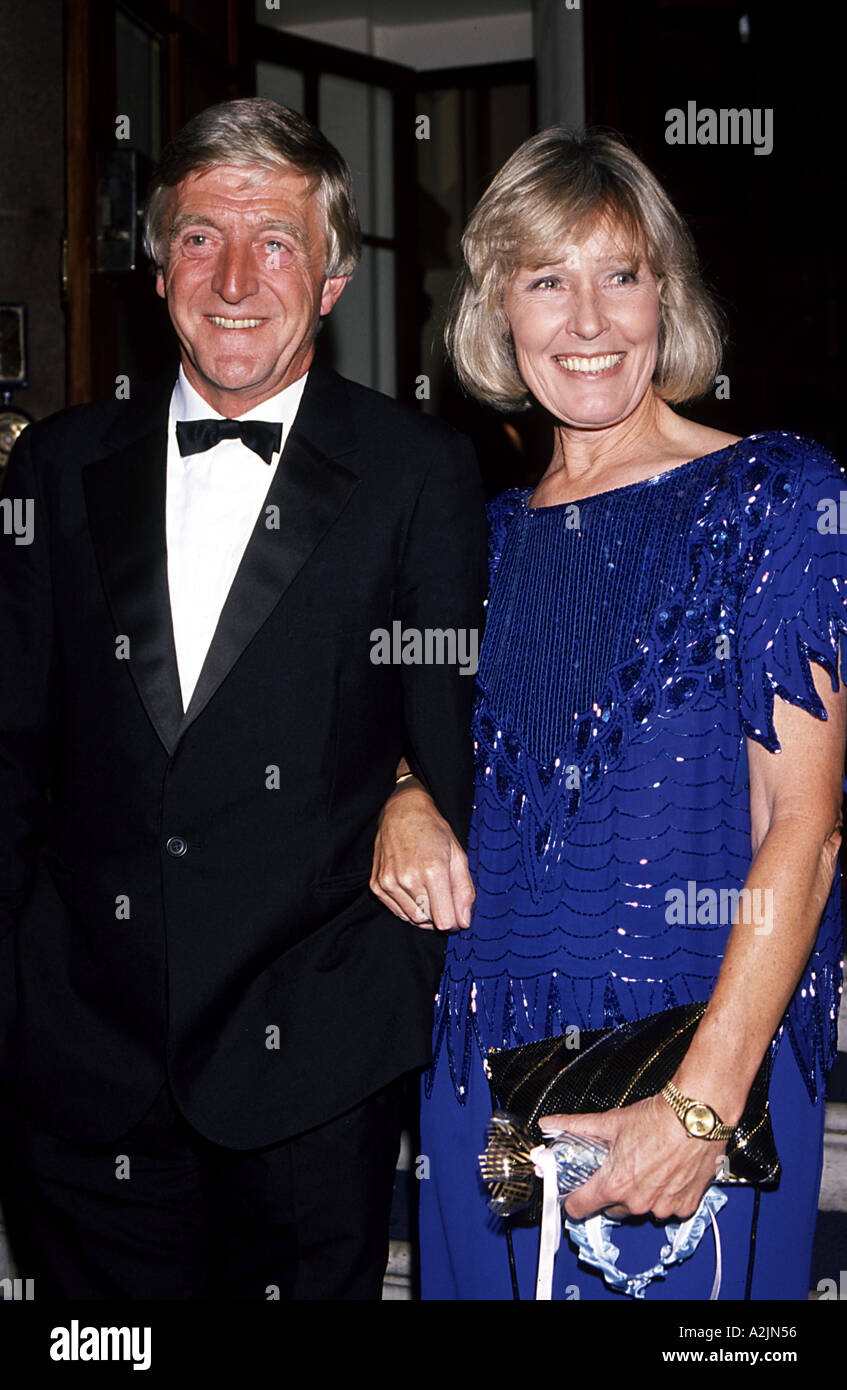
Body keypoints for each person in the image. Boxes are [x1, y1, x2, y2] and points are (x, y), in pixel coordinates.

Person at [0, 98, 486, 1300]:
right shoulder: (55, 466)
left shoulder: (418, 471)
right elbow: (10, 749)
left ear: (328, 279)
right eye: (202, 235)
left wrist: (413, 790)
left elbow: (455, 733)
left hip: (310, 1063)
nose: (233, 276)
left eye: (275, 240)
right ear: (159, 259)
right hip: (76, 1061)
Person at [372, 128, 847, 1300]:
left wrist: (700, 1102)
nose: (587, 320)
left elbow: (806, 826)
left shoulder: (776, 495)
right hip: (479, 1084)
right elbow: (421, 738)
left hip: (686, 1069)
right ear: (497, 313)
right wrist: (401, 793)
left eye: (618, 274)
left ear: (665, 295)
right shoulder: (470, 538)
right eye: (547, 279)